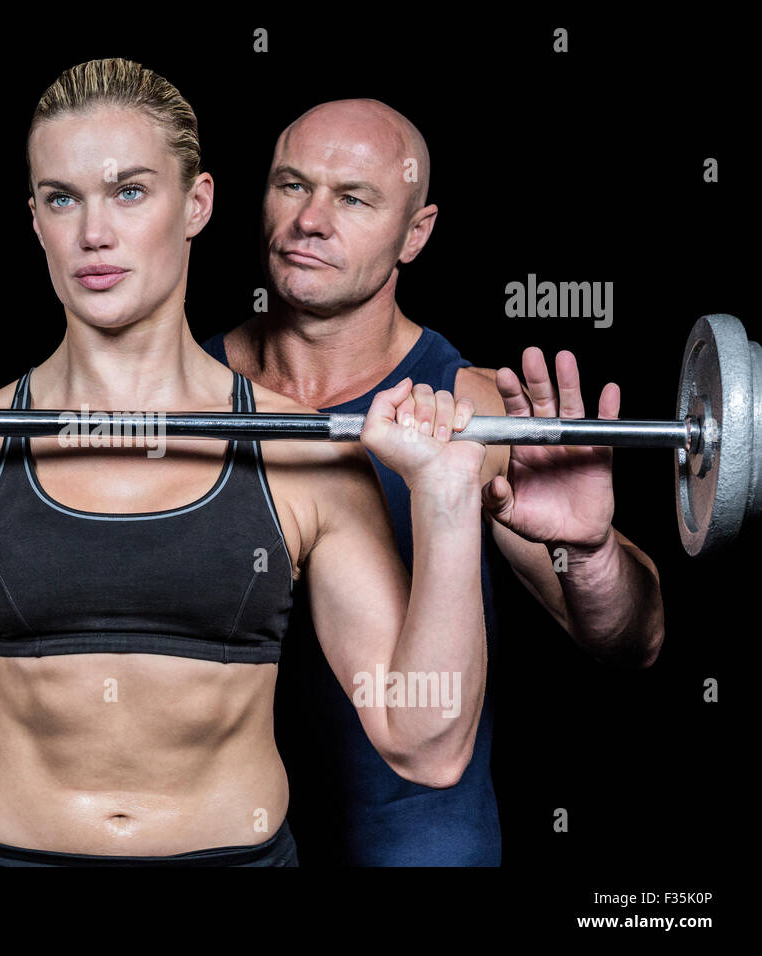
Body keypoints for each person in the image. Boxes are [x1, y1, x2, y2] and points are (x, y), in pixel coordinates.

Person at [0, 59, 489, 866]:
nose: (94, 233)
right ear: (35, 220)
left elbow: (424, 745)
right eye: (63, 198)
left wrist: (444, 498)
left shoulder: (301, 456)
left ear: (196, 205)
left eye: (129, 191)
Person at [199, 98, 665, 865]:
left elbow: (633, 642)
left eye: (353, 198)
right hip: (228, 843)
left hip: (415, 846)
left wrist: (589, 553)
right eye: (292, 186)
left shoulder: (475, 409)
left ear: (415, 233)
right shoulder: (183, 394)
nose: (311, 220)